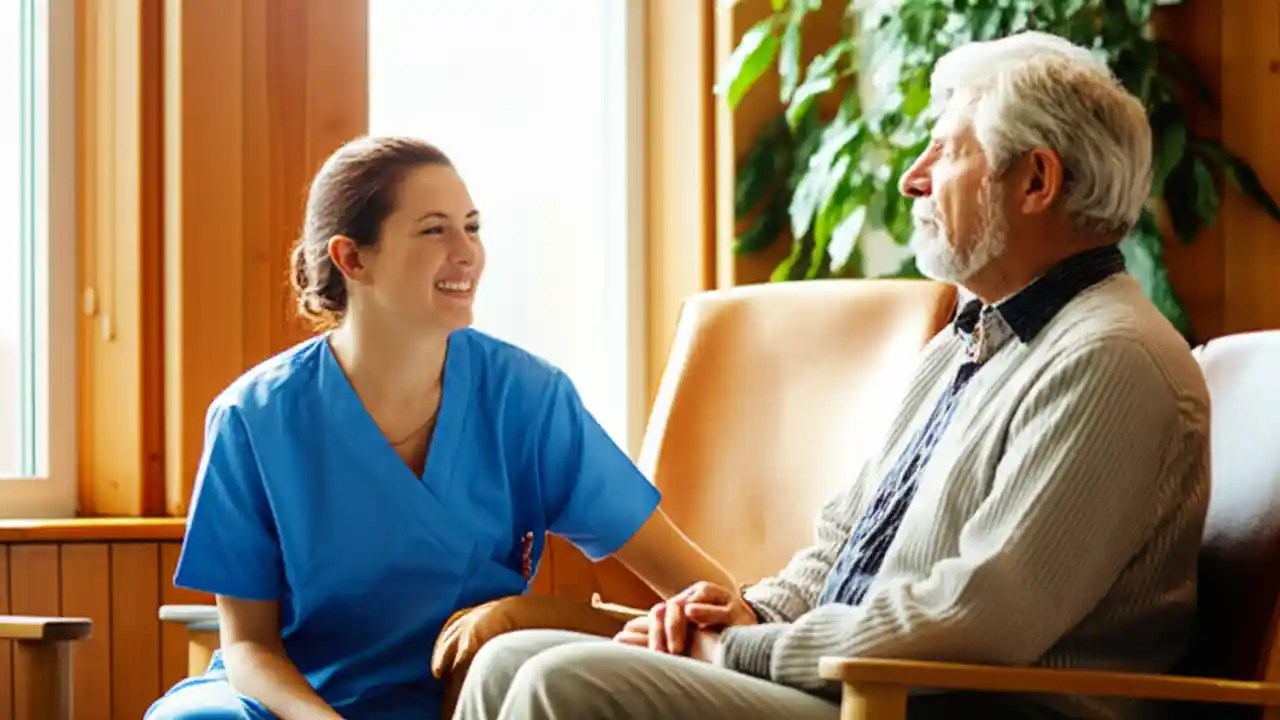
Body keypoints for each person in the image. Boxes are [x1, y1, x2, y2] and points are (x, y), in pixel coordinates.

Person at [454, 30, 1212, 720]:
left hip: (958, 707)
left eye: (946, 152)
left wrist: (739, 648)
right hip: (867, 687)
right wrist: (735, 613)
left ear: (1036, 180)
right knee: (509, 663)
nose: (913, 178)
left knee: (562, 685)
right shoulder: (965, 341)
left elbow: (981, 620)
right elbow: (841, 548)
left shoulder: (1109, 358)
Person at [145, 136, 737, 720]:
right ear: (352, 259)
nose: (467, 253)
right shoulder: (253, 418)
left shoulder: (527, 399)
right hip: (290, 703)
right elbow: (248, 645)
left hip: (472, 700)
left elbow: (700, 587)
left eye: (473, 227)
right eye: (434, 230)